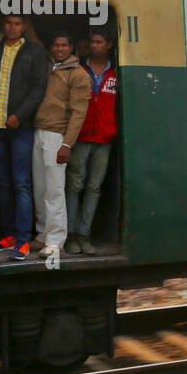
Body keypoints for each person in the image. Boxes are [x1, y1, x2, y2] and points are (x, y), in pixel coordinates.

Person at [0, 14, 49, 261]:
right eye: (9, 23)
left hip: (20, 127)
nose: (12, 27)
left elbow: (38, 89)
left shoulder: (34, 51)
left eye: (17, 23)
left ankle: (23, 240)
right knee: (4, 183)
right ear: (4, 25)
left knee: (21, 183)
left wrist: (19, 116)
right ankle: (9, 234)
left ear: (24, 27)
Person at [31, 32, 92, 257]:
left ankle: (56, 241)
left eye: (64, 45)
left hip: (57, 136)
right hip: (38, 131)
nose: (59, 49)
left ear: (71, 47)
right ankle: (42, 234)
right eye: (56, 45)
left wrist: (67, 144)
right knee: (40, 188)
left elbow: (79, 113)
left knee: (54, 190)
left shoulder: (78, 74)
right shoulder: (49, 66)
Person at [65, 31, 118, 254]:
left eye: (99, 42)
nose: (95, 46)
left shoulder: (116, 73)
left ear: (109, 44)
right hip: (81, 136)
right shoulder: (79, 69)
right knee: (74, 186)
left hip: (104, 138)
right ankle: (69, 235)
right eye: (92, 42)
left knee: (94, 188)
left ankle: (84, 235)